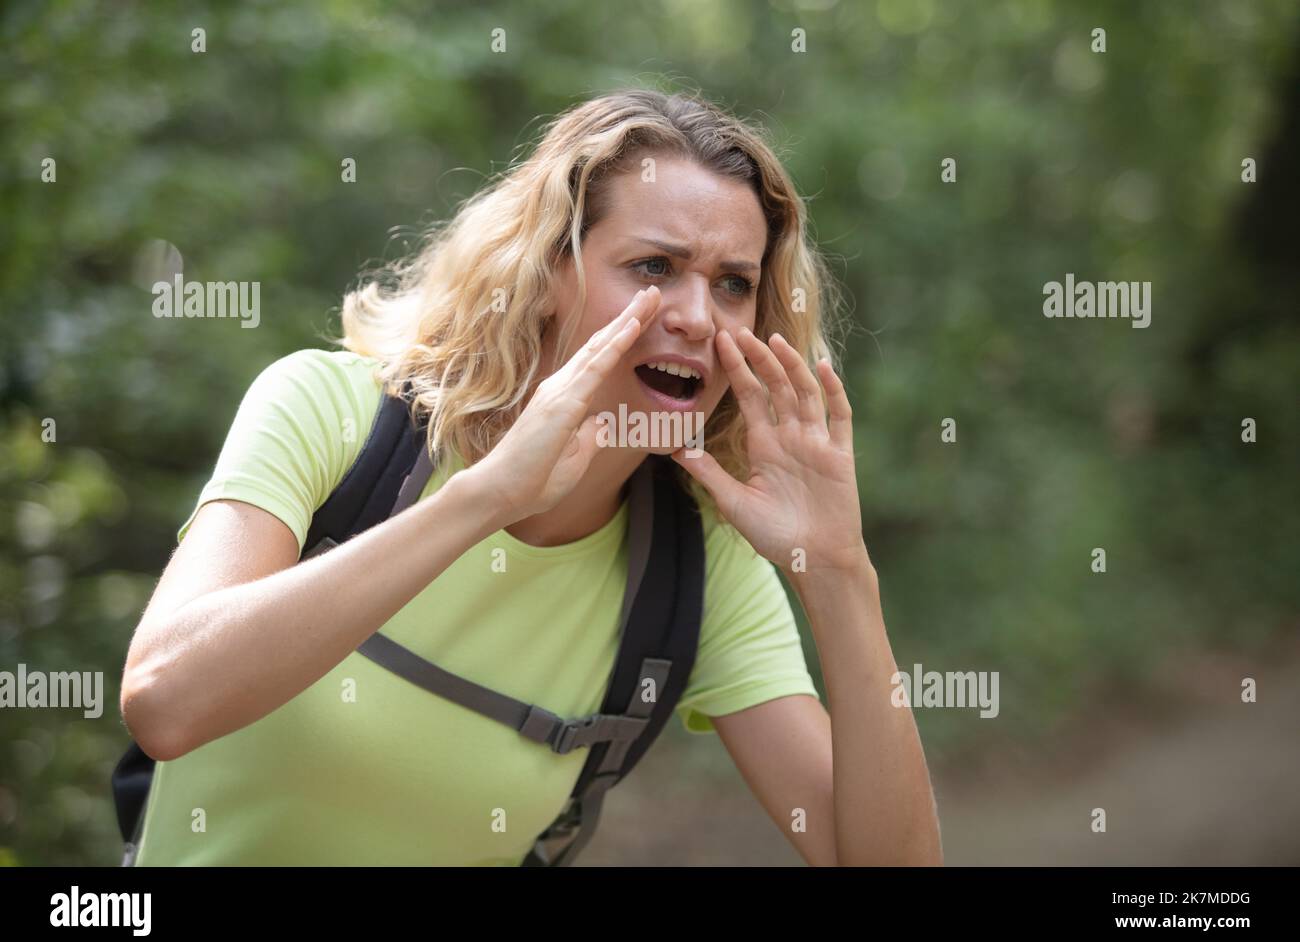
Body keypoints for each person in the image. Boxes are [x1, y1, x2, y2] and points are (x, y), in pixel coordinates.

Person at [119, 88, 942, 866]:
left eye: (733, 284)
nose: (696, 316)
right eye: (654, 267)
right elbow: (164, 700)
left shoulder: (700, 553)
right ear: (549, 271)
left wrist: (839, 573)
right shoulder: (327, 408)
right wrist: (486, 498)